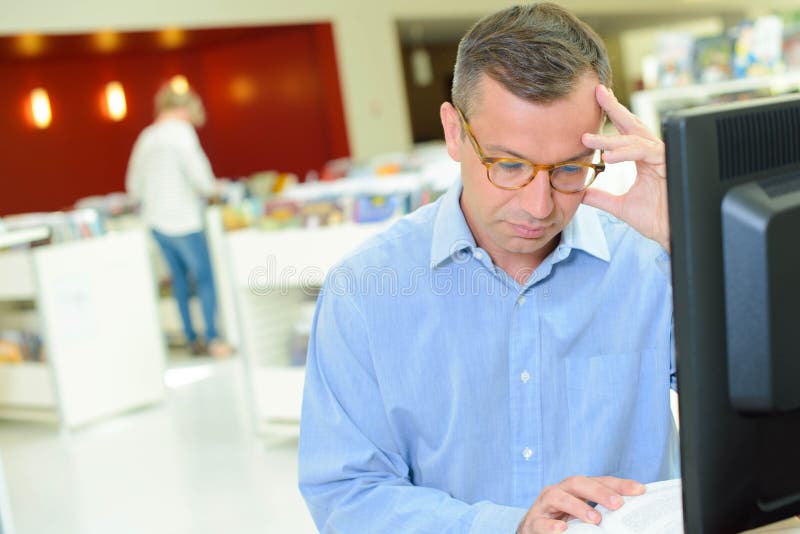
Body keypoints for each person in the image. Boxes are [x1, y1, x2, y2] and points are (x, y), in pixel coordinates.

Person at [298, 3, 677, 533]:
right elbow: (346, 495)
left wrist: (690, 239)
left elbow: (763, 408)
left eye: (569, 170)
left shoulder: (651, 261)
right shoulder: (362, 292)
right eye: (510, 165)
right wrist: (509, 527)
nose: (539, 206)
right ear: (455, 133)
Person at [126, 83, 233, 358]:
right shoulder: (181, 134)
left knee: (179, 282)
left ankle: (190, 339)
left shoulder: (146, 137)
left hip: (156, 222)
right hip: (184, 220)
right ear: (184, 109)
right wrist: (217, 188)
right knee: (205, 279)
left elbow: (133, 186)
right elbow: (202, 180)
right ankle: (213, 338)